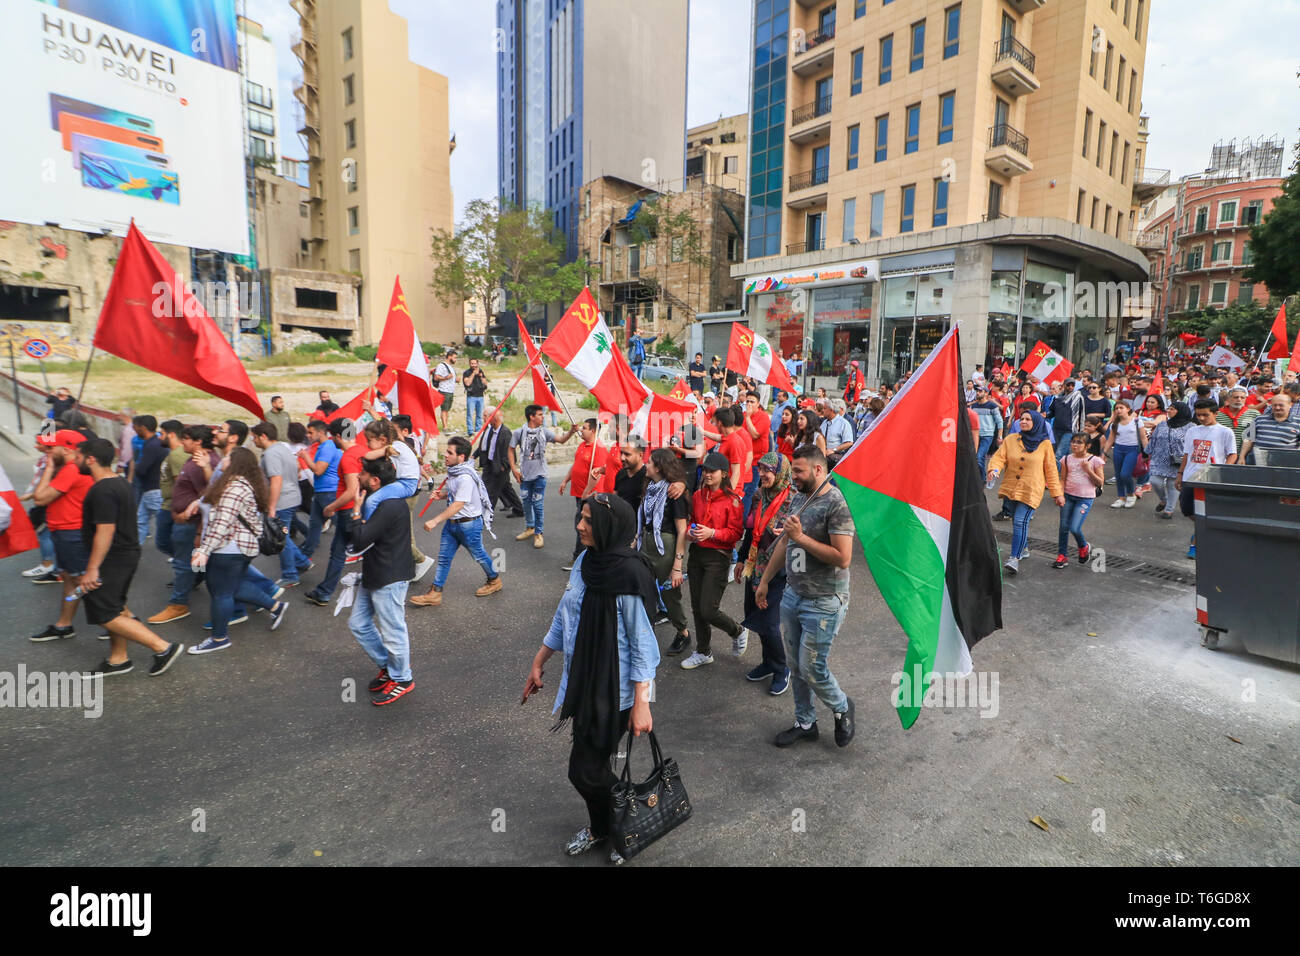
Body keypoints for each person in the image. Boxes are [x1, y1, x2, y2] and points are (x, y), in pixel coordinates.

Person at [521, 492, 659, 865]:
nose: (580, 525)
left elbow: (643, 646)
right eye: (580, 518)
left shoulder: (628, 573)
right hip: (584, 684)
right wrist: (540, 659)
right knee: (592, 768)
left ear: (608, 526)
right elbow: (565, 614)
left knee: (584, 770)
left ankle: (629, 822)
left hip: (615, 693)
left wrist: (642, 704)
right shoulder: (586, 562)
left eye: (588, 520)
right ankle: (605, 828)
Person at [755, 444, 856, 748]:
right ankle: (805, 722)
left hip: (824, 601)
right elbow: (786, 542)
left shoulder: (837, 504)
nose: (793, 476)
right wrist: (765, 580)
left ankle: (841, 708)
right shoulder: (799, 497)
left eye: (798, 471)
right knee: (796, 666)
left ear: (818, 470)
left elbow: (843, 557)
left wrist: (801, 537)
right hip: (792, 595)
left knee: (812, 668)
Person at [73, 438, 184, 677]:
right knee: (116, 607)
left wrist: (92, 569)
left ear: (91, 459)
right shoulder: (119, 482)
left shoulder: (102, 490)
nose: (75, 459)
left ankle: (162, 648)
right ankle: (118, 659)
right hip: (124, 554)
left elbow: (106, 530)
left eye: (78, 455)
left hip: (113, 557)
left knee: (104, 612)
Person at [188, 447, 289, 653]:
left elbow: (222, 522)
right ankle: (276, 607)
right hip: (240, 548)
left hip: (229, 548)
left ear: (235, 463)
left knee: (221, 593)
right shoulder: (241, 485)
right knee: (233, 587)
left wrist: (204, 550)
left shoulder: (234, 488)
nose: (223, 459)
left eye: (227, 457)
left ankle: (219, 638)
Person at [349, 456, 416, 705]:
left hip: (390, 577)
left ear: (375, 481)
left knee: (393, 632)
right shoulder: (380, 501)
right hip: (375, 573)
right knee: (358, 624)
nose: (358, 476)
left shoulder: (388, 506)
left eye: (363, 473)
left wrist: (355, 510)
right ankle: (389, 667)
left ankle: (403, 679)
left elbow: (359, 540)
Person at [410, 436, 503, 607]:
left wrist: (435, 520)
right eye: (446, 451)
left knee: (479, 555)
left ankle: (494, 580)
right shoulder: (455, 472)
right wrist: (443, 495)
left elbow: (459, 504)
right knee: (444, 558)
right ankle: (435, 593)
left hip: (469, 525)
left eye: (449, 452)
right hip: (452, 525)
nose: (445, 455)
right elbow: (456, 495)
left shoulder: (465, 477)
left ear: (461, 457)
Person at [679, 451, 744, 670]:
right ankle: (703, 651)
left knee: (708, 609)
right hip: (697, 554)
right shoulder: (698, 495)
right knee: (697, 608)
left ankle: (737, 630)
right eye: (704, 470)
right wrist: (691, 532)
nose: (706, 474)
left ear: (724, 474)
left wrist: (713, 533)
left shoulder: (733, 500)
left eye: (711, 471)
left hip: (718, 557)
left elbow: (735, 533)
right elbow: (692, 522)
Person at [27, 430, 94, 641]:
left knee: (85, 581)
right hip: (64, 532)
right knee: (70, 578)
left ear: (65, 450)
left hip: (71, 533)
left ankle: (125, 619)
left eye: (51, 447)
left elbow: (40, 498)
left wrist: (49, 467)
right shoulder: (70, 467)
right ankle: (64, 625)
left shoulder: (71, 470)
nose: (47, 451)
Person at [735, 452, 793, 695]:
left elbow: (802, 536)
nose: (762, 474)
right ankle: (768, 662)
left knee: (769, 623)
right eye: (760, 470)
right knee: (754, 616)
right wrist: (740, 559)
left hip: (779, 570)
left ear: (779, 472)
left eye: (767, 470)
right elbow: (752, 530)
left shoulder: (795, 499)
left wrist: (787, 534)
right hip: (754, 564)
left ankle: (782, 669)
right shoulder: (759, 494)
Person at [986, 410, 1065, 575]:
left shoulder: (1044, 444)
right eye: (1021, 419)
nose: (1023, 421)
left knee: (1019, 522)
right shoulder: (1011, 439)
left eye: (1028, 419)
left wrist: (1057, 494)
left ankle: (1014, 558)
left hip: (1031, 489)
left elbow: (1051, 470)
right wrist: (994, 469)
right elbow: (999, 457)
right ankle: (1024, 548)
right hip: (1012, 488)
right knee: (1018, 520)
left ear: (1036, 422)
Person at [362, 418, 435, 582]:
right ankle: (408, 564)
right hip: (405, 484)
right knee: (400, 530)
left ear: (382, 439)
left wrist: (353, 449)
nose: (367, 444)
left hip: (406, 485)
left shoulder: (393, 447)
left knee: (372, 502)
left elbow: (367, 454)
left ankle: (367, 536)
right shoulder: (398, 444)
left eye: (369, 441)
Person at [306, 419, 367, 606]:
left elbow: (351, 490)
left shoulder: (348, 457)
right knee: (346, 550)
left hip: (348, 511)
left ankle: (325, 592)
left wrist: (330, 507)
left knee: (339, 552)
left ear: (339, 436)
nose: (332, 440)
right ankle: (324, 592)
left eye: (334, 437)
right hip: (360, 508)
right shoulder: (363, 450)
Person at [638, 449, 691, 654]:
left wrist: (677, 566)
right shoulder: (650, 487)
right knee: (643, 589)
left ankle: (683, 633)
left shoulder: (673, 493)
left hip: (666, 546)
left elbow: (682, 531)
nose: (646, 465)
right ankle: (644, 632)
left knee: (670, 595)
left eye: (649, 462)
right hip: (647, 542)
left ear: (659, 467)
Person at [251, 422, 313, 588]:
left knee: (279, 537)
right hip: (292, 497)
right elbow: (297, 467)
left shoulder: (271, 454)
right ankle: (302, 562)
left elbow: (276, 479)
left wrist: (271, 507)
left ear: (263, 436)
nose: (253, 440)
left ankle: (290, 574)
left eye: (255, 437)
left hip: (282, 501)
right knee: (282, 535)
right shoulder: (283, 448)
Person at [1177, 399, 1238, 559]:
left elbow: (1232, 454)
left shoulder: (1225, 432)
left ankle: (1196, 543)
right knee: (1187, 510)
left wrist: (1223, 471)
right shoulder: (1192, 431)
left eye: (1205, 415)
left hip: (1210, 479)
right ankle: (1199, 531)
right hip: (1190, 477)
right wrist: (1180, 473)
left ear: (1215, 413)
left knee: (1203, 513)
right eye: (1198, 415)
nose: (1202, 418)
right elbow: (1187, 453)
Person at [511, 404, 578, 549]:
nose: (543, 417)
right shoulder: (519, 432)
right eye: (540, 415)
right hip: (524, 475)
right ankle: (530, 528)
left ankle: (538, 533)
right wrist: (514, 469)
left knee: (537, 504)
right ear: (532, 416)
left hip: (540, 475)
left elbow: (561, 440)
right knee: (526, 502)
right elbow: (510, 449)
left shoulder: (544, 432)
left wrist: (571, 432)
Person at [559, 418, 608, 570]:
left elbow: (598, 474)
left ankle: (580, 559)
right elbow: (576, 466)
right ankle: (583, 557)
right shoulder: (582, 446)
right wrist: (566, 480)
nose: (581, 430)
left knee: (583, 525)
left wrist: (589, 492)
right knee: (581, 525)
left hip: (590, 496)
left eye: (585, 428)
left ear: (593, 431)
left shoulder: (598, 449)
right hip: (579, 493)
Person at [1053, 434, 1104, 568]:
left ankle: (1083, 546)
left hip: (1085, 498)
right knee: (1063, 527)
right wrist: (1060, 494)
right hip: (1068, 496)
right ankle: (1062, 555)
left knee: (1074, 528)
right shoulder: (1066, 459)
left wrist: (1088, 470)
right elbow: (1063, 478)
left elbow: (1100, 482)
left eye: (1079, 443)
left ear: (1088, 446)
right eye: (1073, 442)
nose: (1075, 445)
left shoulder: (1095, 460)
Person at [298, 417, 341, 562]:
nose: (308, 436)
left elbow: (318, 470)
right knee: (315, 524)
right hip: (321, 491)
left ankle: (357, 546)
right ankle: (304, 557)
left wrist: (305, 457)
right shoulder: (323, 446)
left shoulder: (328, 447)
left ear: (321, 432)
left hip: (328, 491)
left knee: (340, 523)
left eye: (310, 433)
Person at [1146, 402, 1192, 518]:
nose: (1169, 411)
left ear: (1180, 411)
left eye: (1172, 409)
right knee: (1155, 481)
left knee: (1173, 484)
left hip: (1178, 460)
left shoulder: (1191, 427)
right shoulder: (1162, 425)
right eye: (1169, 408)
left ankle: (1169, 510)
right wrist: (1146, 453)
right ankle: (1163, 500)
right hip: (1159, 458)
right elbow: (1154, 439)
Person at [475, 408, 524, 517]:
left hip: (500, 468)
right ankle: (519, 509)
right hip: (491, 465)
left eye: (488, 417)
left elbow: (509, 452)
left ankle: (486, 515)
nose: (486, 419)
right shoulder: (491, 432)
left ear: (495, 419)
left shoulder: (505, 433)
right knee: (506, 489)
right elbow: (487, 447)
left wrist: (503, 467)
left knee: (491, 492)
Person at [1103, 401, 1147, 509]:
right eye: (1116, 408)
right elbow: (1110, 440)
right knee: (1118, 475)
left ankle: (1131, 494)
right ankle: (1121, 497)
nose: (1118, 410)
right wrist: (1104, 453)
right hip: (1118, 449)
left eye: (1121, 408)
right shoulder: (1115, 424)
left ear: (1128, 409)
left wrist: (1147, 452)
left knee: (1125, 474)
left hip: (1132, 449)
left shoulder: (1137, 421)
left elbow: (1143, 438)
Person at [1240, 394, 1300, 463]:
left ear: (1290, 405)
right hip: (1258, 461)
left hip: (1286, 463)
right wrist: (1242, 457)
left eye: (1281, 405)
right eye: (1274, 405)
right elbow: (1248, 440)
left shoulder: (1298, 422)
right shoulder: (1259, 419)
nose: (1277, 408)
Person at [971, 387, 1004, 475]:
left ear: (986, 393)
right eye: (977, 391)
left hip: (987, 435)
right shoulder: (973, 406)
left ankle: (982, 479)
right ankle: (978, 479)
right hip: (975, 435)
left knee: (979, 457)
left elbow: (999, 421)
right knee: (974, 458)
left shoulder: (992, 406)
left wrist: (1000, 437)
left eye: (980, 391)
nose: (978, 393)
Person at [818, 399, 854, 468]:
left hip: (835, 459)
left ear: (831, 410)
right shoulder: (824, 423)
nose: (822, 410)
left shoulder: (844, 423)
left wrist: (833, 450)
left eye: (825, 408)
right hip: (822, 456)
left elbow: (849, 442)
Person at [433, 350, 458, 431]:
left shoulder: (450, 366)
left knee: (447, 409)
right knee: (444, 409)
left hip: (450, 391)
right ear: (449, 356)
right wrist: (445, 378)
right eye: (455, 358)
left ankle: (446, 425)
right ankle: (445, 427)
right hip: (444, 390)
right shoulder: (442, 366)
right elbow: (436, 377)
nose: (456, 359)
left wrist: (456, 379)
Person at [462, 357, 488, 434]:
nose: (473, 365)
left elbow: (485, 383)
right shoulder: (467, 373)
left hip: (480, 396)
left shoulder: (481, 371)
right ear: (469, 364)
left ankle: (478, 430)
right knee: (470, 414)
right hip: (471, 396)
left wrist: (481, 376)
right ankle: (470, 431)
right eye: (472, 363)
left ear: (477, 364)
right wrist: (473, 374)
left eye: (475, 363)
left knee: (479, 415)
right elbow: (467, 383)